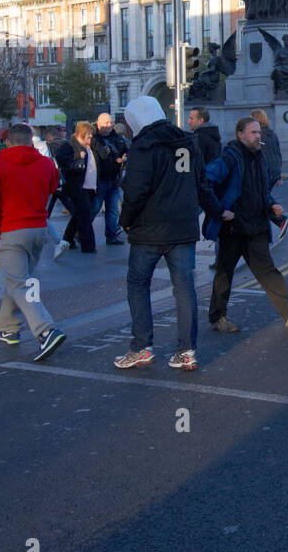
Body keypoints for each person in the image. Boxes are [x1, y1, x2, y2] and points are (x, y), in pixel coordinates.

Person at [114, 96, 222, 371]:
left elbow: (135, 191)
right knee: (184, 289)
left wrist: (125, 221)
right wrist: (217, 211)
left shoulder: (143, 145)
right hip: (183, 228)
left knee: (138, 286)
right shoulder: (188, 141)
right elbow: (201, 184)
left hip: (148, 229)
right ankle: (186, 350)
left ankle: (141, 347)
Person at [203, 116, 288, 335]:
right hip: (233, 228)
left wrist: (272, 205)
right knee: (224, 273)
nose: (258, 136)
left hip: (256, 227)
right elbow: (204, 181)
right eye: (253, 132)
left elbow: (261, 191)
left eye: (259, 132)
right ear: (241, 134)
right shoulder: (229, 158)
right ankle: (218, 316)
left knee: (268, 272)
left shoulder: (259, 158)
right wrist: (218, 211)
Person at [0, 123, 66, 360]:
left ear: (7, 142)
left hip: (10, 231)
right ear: (31, 142)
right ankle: (8, 328)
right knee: (19, 279)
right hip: (38, 229)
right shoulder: (46, 164)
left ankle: (45, 330)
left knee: (20, 283)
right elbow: (52, 186)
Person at [55, 121, 99, 257]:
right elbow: (62, 161)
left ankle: (67, 239)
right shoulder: (70, 146)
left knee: (80, 214)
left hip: (89, 186)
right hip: (77, 185)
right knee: (85, 214)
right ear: (83, 134)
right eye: (89, 136)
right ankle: (88, 245)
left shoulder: (87, 147)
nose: (91, 138)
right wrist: (77, 159)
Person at [91, 113, 129, 245]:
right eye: (106, 123)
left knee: (112, 209)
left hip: (113, 177)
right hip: (99, 178)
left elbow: (125, 150)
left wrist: (123, 157)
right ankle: (82, 230)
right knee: (95, 208)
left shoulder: (116, 137)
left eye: (110, 123)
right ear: (98, 124)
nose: (109, 126)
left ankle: (111, 235)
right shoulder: (93, 137)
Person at [249, 108, 284, 185]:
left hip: (264, 173)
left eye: (250, 118)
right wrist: (278, 176)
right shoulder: (273, 135)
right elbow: (278, 154)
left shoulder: (257, 136)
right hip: (274, 171)